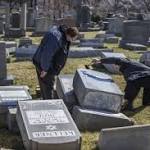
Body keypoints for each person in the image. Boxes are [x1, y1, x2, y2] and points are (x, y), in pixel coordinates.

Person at [33, 25, 79, 99]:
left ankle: (44, 101)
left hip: (45, 64)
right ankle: (50, 106)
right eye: (73, 39)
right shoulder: (56, 38)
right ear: (69, 35)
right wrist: (45, 69)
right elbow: (47, 54)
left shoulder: (63, 35)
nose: (72, 41)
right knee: (48, 88)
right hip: (47, 67)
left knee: (44, 86)